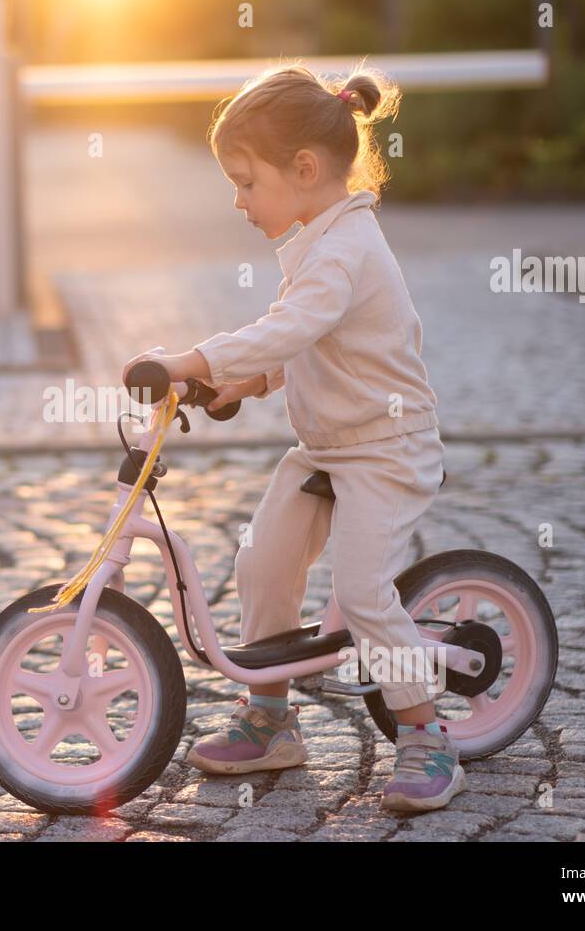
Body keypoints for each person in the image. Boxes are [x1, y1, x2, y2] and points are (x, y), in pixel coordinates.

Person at [121, 62, 463, 812]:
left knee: (364, 592)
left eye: (246, 181)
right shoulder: (318, 241)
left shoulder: (346, 249)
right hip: (327, 446)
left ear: (304, 169)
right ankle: (271, 718)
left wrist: (193, 360)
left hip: (384, 448)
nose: (237, 200)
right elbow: (307, 344)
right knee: (263, 564)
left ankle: (427, 735)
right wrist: (241, 383)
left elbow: (293, 325)